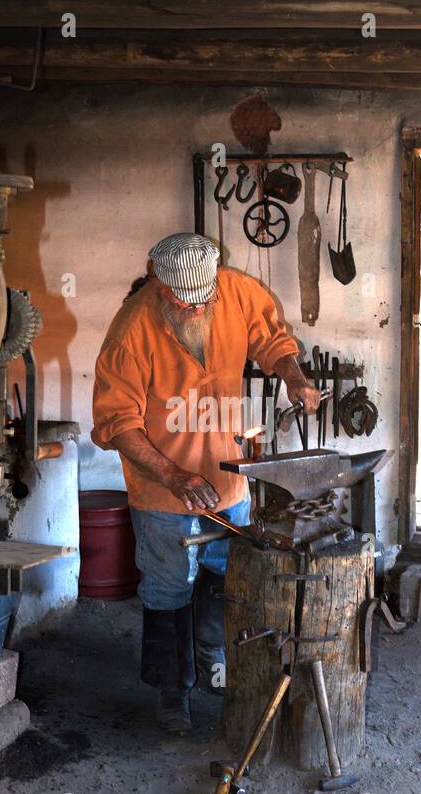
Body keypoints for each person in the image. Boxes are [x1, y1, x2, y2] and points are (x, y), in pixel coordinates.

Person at [91, 233, 321, 733]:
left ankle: (212, 659)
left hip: (227, 477)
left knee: (225, 573)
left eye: (203, 298)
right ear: (159, 281)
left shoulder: (235, 292)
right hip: (161, 486)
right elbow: (116, 423)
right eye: (181, 300)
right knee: (168, 587)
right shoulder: (131, 328)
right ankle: (172, 691)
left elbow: (273, 340)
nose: (194, 307)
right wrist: (171, 474)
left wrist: (294, 377)